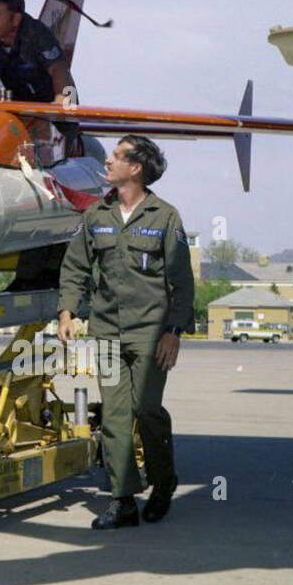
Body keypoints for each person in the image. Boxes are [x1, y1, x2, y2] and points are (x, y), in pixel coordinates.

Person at [57, 134, 194, 529]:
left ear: (136, 168)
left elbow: (182, 282)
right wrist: (68, 311)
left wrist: (173, 331)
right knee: (115, 416)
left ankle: (163, 483)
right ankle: (123, 500)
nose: (108, 161)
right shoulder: (96, 215)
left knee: (146, 409)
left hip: (151, 333)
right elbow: (76, 268)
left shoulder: (164, 217)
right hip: (106, 331)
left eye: (117, 156)